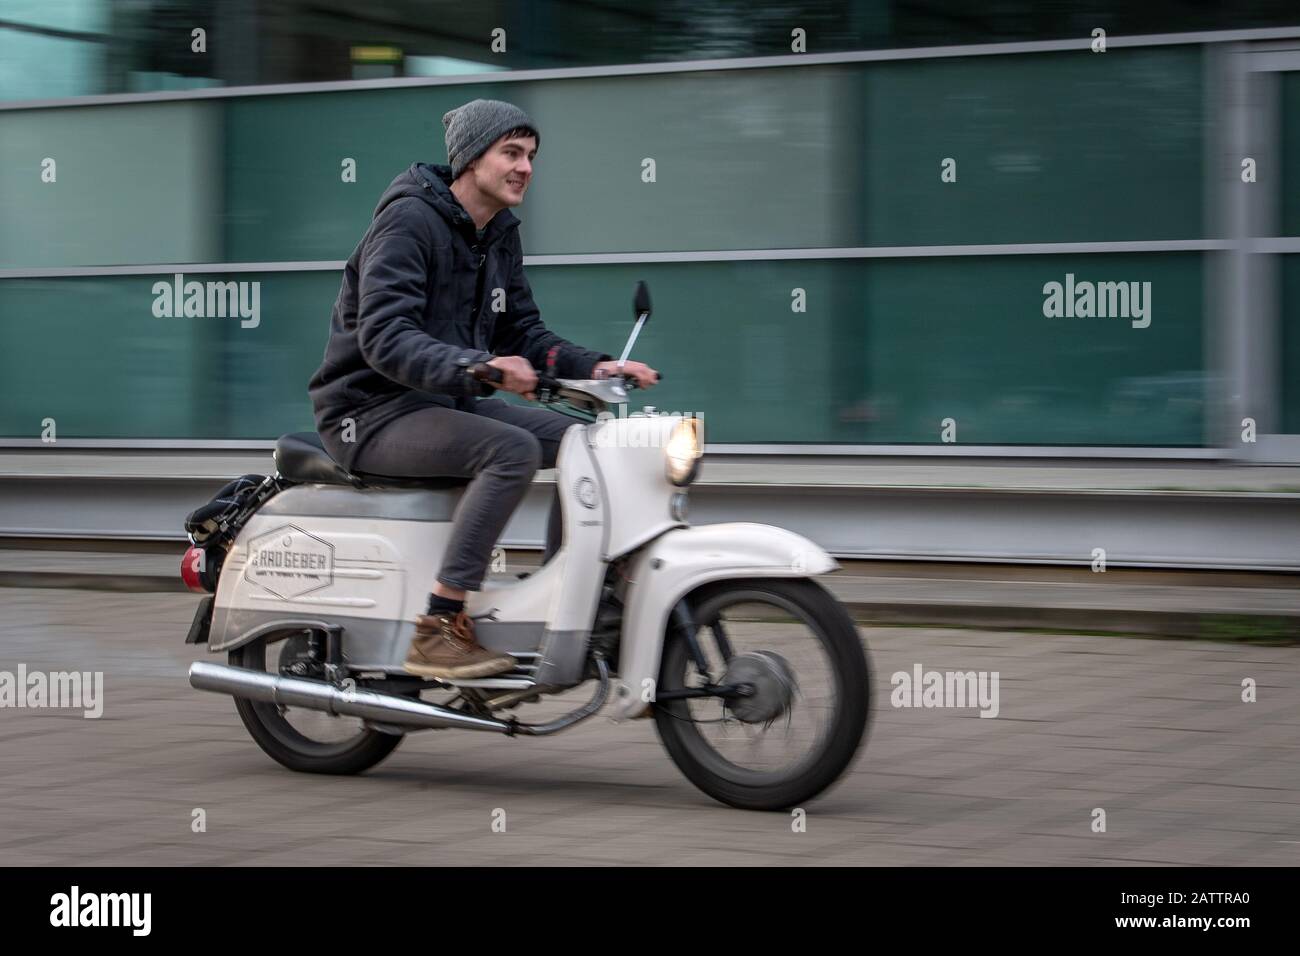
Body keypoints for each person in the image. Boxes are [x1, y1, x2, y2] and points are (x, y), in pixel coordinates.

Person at [308, 98, 658, 680]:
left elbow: (522, 331)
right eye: (512, 153)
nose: (526, 168)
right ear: (472, 159)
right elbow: (385, 339)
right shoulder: (407, 222)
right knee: (512, 450)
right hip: (370, 413)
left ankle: (576, 604)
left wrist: (596, 367)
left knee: (591, 443)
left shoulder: (496, 234)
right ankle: (441, 626)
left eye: (531, 156)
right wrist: (482, 368)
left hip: (445, 405)